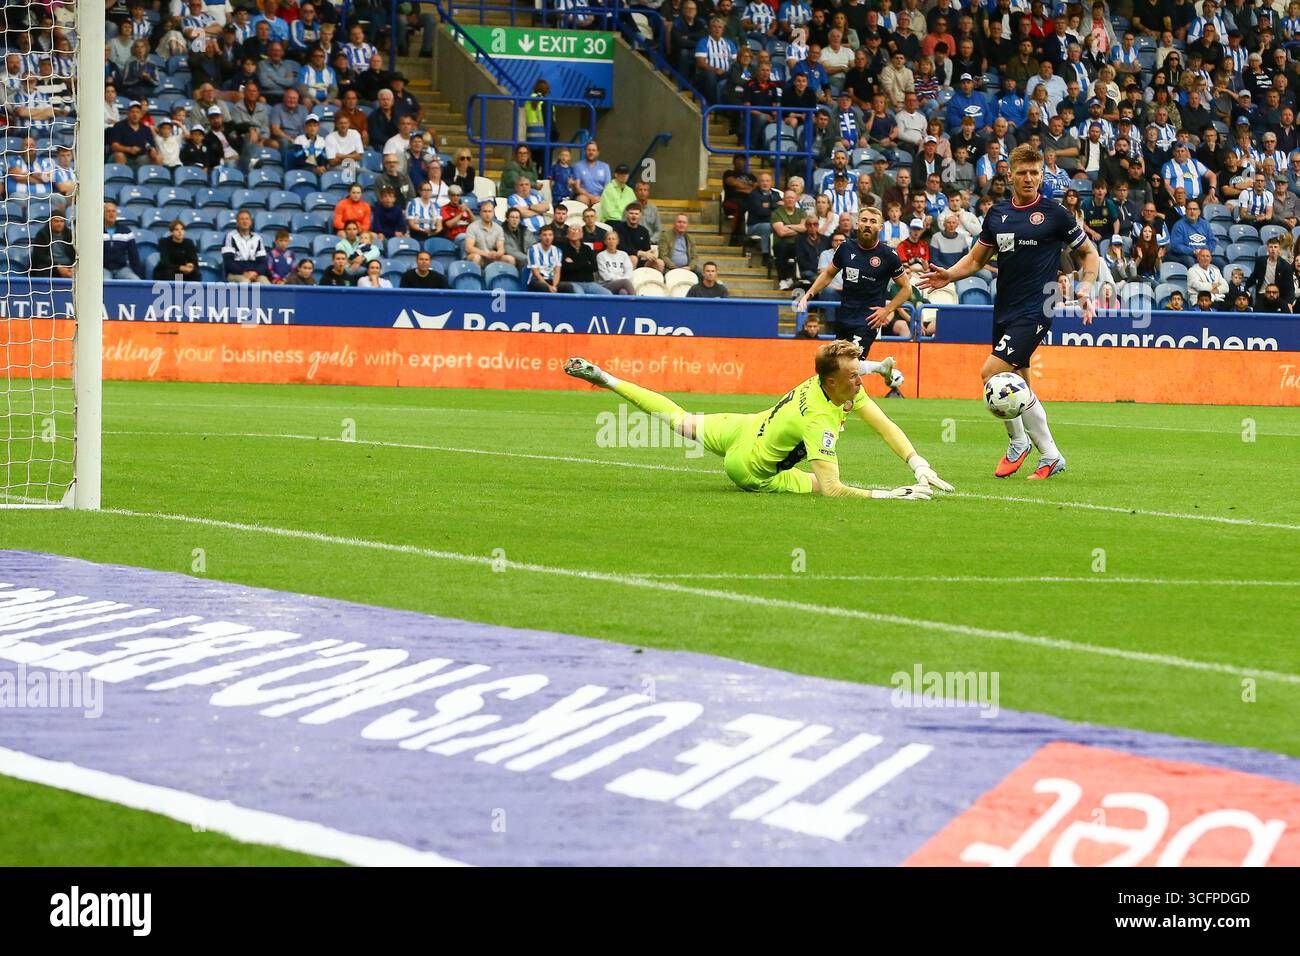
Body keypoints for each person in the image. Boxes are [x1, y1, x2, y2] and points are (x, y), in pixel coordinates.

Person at [918, 143, 1101, 480]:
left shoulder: (1055, 214)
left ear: (1042, 175)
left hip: (1038, 307)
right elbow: (976, 260)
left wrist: (1086, 288)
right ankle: (1050, 456)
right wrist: (948, 273)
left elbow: (1090, 254)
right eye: (1022, 173)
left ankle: (1021, 443)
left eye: (1034, 173)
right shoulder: (998, 215)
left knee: (992, 375)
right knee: (1021, 385)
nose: (1029, 178)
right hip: (1005, 309)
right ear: (1010, 175)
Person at [561, 341, 951, 498]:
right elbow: (834, 490)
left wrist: (918, 463)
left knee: (678, 419)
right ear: (834, 381)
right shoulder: (819, 419)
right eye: (855, 374)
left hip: (745, 427)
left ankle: (607, 379)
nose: (860, 377)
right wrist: (888, 494)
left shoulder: (834, 382)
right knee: (818, 484)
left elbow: (884, 424)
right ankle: (607, 379)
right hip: (750, 471)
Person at [795, 206, 910, 393]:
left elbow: (906, 289)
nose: (867, 225)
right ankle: (880, 370)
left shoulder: (889, 255)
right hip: (845, 314)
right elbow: (828, 274)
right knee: (837, 366)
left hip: (869, 319)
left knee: (849, 365)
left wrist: (887, 310)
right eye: (864, 220)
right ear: (858, 224)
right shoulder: (846, 248)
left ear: (880, 227)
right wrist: (809, 294)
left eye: (873, 222)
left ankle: (879, 370)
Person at [222, 209, 271, 283]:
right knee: (245, 282)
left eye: (247, 219)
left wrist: (255, 273)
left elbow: (263, 262)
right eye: (242, 219)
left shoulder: (257, 238)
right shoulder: (230, 236)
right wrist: (244, 272)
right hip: (236, 274)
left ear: (251, 222)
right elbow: (228, 262)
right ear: (237, 223)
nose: (245, 221)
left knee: (265, 283)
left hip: (255, 274)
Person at [527, 224, 575, 293]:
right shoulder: (533, 250)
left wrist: (554, 286)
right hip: (537, 280)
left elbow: (557, 272)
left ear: (553, 236)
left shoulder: (557, 251)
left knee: (568, 287)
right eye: (545, 235)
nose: (547, 237)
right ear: (540, 236)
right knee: (543, 287)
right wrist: (549, 286)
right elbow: (536, 272)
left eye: (550, 235)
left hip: (552, 280)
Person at [559, 223, 606, 295]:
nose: (574, 232)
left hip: (588, 283)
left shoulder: (587, 248)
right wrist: (586, 263)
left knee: (607, 294)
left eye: (577, 230)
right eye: (572, 230)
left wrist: (574, 264)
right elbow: (565, 267)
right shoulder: (562, 248)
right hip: (571, 282)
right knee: (580, 295)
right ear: (567, 234)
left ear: (581, 234)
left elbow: (594, 267)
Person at [103, 202, 143, 280]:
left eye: (113, 211)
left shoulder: (126, 231)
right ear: (103, 214)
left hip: (122, 269)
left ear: (117, 214)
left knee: (135, 281)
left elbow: (133, 254)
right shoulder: (96, 231)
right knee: (105, 283)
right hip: (103, 269)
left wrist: (138, 274)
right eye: (108, 211)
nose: (111, 213)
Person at [464, 200, 512, 267]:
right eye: (485, 211)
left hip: (492, 257)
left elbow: (501, 249)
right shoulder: (472, 227)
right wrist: (486, 254)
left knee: (510, 259)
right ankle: (474, 276)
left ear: (493, 213)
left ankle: (506, 277)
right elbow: (468, 248)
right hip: (479, 256)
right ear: (480, 213)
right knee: (476, 257)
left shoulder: (498, 228)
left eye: (490, 211)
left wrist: (497, 254)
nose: (487, 214)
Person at [30, 212, 75, 279]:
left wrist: (73, 267)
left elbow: (74, 254)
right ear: (50, 222)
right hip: (51, 266)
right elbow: (39, 257)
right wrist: (57, 266)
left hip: (69, 266)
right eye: (56, 221)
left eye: (62, 221)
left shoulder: (70, 234)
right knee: (43, 268)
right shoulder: (42, 234)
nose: (59, 224)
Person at [596, 229, 636, 294]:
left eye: (614, 239)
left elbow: (629, 272)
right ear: (605, 242)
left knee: (623, 292)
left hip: (623, 283)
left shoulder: (624, 254)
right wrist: (621, 280)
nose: (611, 241)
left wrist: (622, 280)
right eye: (609, 239)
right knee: (625, 282)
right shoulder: (601, 256)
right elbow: (605, 276)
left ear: (617, 241)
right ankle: (636, 301)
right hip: (605, 285)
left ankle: (623, 304)